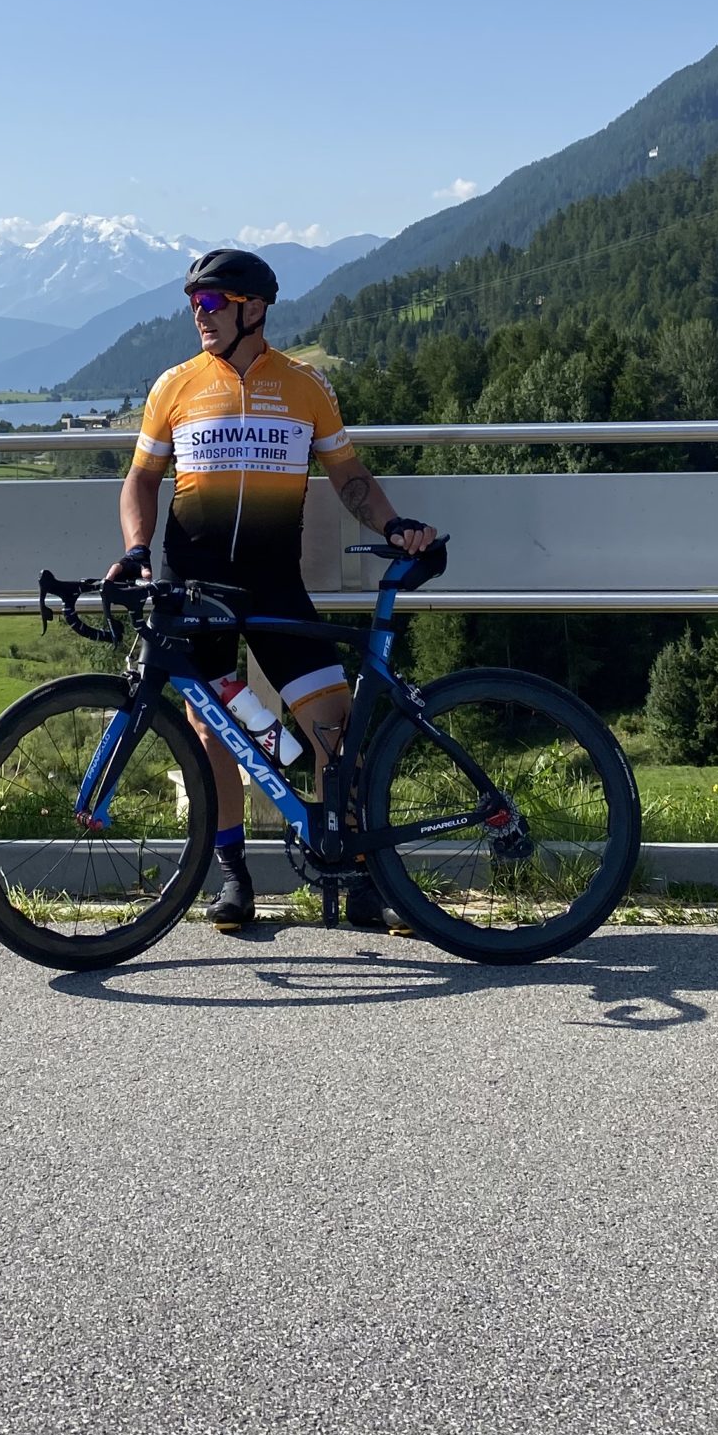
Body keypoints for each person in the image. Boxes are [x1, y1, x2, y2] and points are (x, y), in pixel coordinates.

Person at [105, 248, 436, 931]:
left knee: (337, 729)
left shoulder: (305, 385)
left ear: (253, 309)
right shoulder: (175, 384)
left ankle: (355, 874)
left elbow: (350, 478)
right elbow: (140, 481)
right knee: (210, 731)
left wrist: (393, 522)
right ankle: (233, 877)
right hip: (195, 588)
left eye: (212, 303)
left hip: (274, 586)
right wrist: (136, 551)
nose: (200, 316)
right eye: (193, 304)